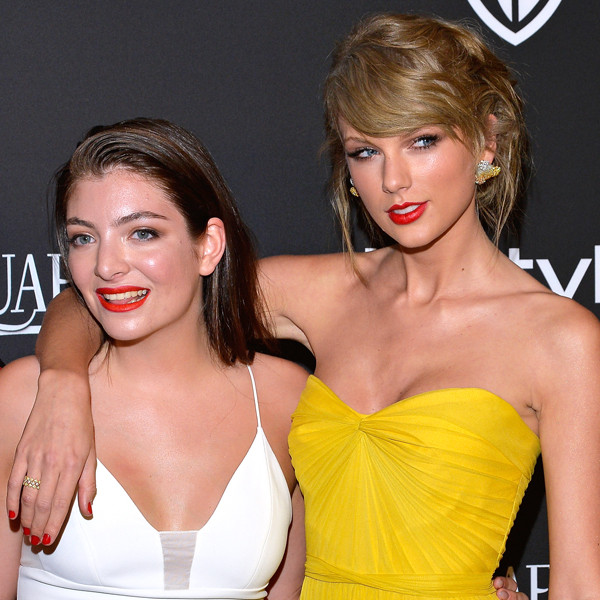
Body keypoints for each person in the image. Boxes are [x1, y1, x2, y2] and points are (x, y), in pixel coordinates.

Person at [7, 12, 587, 600]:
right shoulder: (312, 292)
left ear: (487, 140)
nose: (394, 179)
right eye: (366, 151)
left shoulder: (559, 338)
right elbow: (108, 295)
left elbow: (580, 582)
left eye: (422, 140)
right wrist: (62, 384)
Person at [0, 118, 308, 598]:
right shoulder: (22, 398)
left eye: (142, 233)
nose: (106, 266)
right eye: (84, 238)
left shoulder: (286, 398)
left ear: (208, 246)